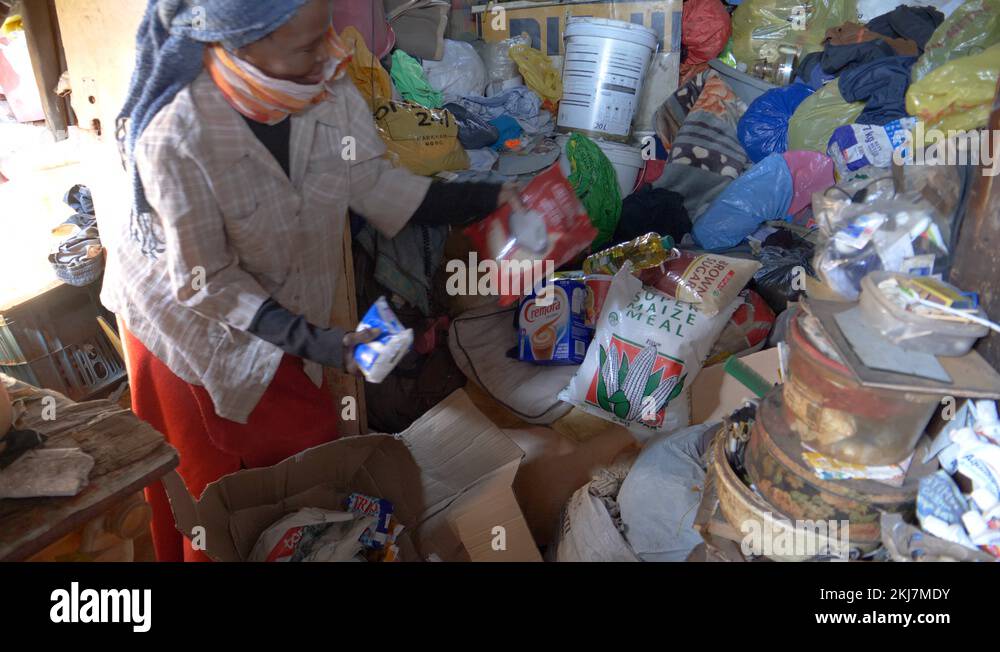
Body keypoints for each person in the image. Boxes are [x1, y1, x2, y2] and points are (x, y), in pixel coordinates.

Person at [104, 0, 517, 561]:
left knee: (289, 467)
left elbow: (373, 184)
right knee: (213, 491)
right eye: (305, 48)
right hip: (190, 324)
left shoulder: (317, 80)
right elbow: (212, 283)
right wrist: (320, 344)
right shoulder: (180, 136)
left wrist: (489, 198)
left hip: (265, 305)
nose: (331, 56)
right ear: (239, 52)